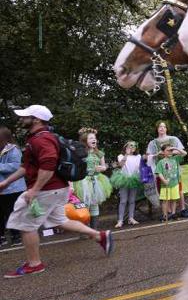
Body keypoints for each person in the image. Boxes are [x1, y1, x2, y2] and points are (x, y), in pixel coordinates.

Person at [0, 105, 113, 278]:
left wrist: (34, 190)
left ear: (36, 119)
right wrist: (7, 182)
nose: (21, 119)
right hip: (56, 188)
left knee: (25, 224)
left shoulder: (41, 140)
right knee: (59, 221)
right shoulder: (39, 138)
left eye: (25, 116)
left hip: (46, 189)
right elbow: (26, 166)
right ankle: (99, 235)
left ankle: (34, 264)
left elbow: (49, 165)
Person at [146, 121, 188, 218]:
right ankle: (169, 212)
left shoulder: (173, 139)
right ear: (157, 129)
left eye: (164, 126)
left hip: (174, 169)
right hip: (161, 170)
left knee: (179, 189)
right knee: (165, 190)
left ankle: (183, 209)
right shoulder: (152, 143)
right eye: (160, 127)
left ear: (166, 128)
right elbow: (148, 156)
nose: (162, 128)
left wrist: (169, 152)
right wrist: (157, 154)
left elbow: (181, 151)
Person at [72, 128, 112, 229]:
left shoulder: (99, 153)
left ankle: (94, 229)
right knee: (84, 206)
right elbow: (74, 167)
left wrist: (102, 168)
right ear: (85, 140)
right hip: (83, 181)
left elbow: (104, 166)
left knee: (94, 204)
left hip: (96, 181)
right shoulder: (79, 153)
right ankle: (84, 230)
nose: (94, 140)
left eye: (94, 138)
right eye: (91, 138)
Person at [0, 126, 26, 247]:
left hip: (13, 188)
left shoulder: (13, 149)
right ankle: (2, 237)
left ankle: (16, 236)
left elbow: (16, 166)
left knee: (12, 213)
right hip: (2, 189)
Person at [111, 141, 142, 227]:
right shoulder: (121, 156)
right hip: (124, 179)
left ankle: (131, 218)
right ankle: (120, 220)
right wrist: (126, 155)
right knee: (123, 200)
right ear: (126, 147)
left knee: (132, 200)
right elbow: (121, 165)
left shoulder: (138, 156)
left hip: (134, 179)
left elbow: (139, 167)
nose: (132, 147)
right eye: (130, 146)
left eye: (134, 146)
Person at [155, 143, 181, 221]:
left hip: (175, 183)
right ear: (163, 152)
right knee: (165, 200)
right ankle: (165, 215)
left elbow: (184, 153)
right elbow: (158, 173)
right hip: (165, 184)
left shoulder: (175, 159)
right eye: (168, 150)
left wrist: (175, 148)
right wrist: (164, 180)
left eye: (171, 150)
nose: (170, 152)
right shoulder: (161, 162)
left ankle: (173, 214)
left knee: (174, 199)